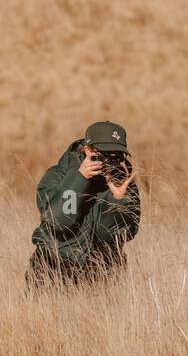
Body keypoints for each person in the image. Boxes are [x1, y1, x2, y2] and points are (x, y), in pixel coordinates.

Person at [27, 121, 140, 288]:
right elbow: (58, 221)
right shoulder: (58, 176)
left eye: (118, 155)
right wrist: (79, 179)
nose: (111, 160)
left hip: (102, 275)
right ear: (88, 150)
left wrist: (117, 199)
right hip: (52, 271)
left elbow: (115, 235)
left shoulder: (124, 182)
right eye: (106, 155)